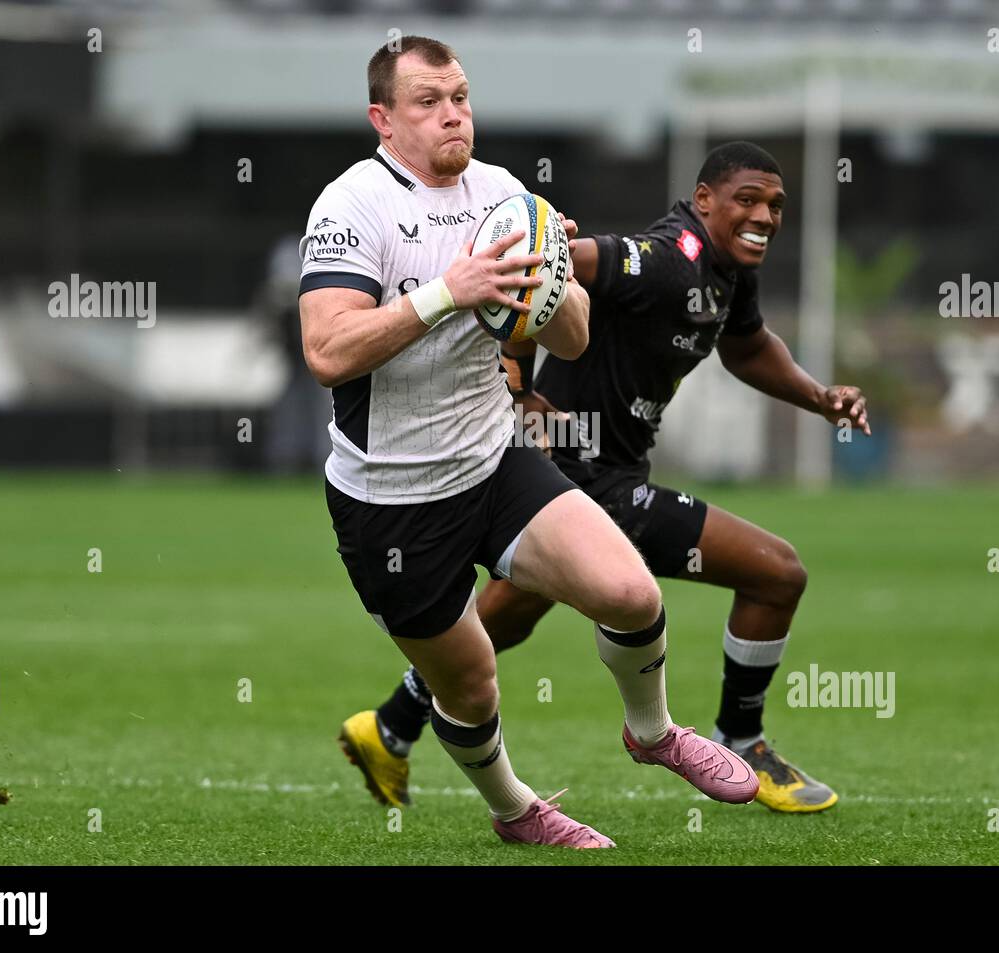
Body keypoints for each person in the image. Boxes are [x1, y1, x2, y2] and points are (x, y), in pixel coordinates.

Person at [301, 37, 760, 850]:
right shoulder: (350, 206)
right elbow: (328, 350)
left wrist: (553, 285)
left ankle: (652, 732)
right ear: (383, 118)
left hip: (494, 460)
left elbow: (577, 340)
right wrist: (452, 291)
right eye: (429, 101)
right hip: (392, 502)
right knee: (471, 686)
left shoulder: (504, 194)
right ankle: (516, 809)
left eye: (461, 96)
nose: (453, 114)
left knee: (631, 594)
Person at [342, 141, 869, 815]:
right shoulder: (660, 260)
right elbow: (545, 262)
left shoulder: (727, 267)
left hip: (595, 472)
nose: (764, 215)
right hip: (589, 478)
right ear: (704, 200)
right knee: (776, 571)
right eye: (747, 201)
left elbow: (748, 347)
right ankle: (743, 739)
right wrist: (517, 379)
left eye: (775, 204)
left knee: (516, 609)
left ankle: (389, 726)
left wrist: (819, 396)